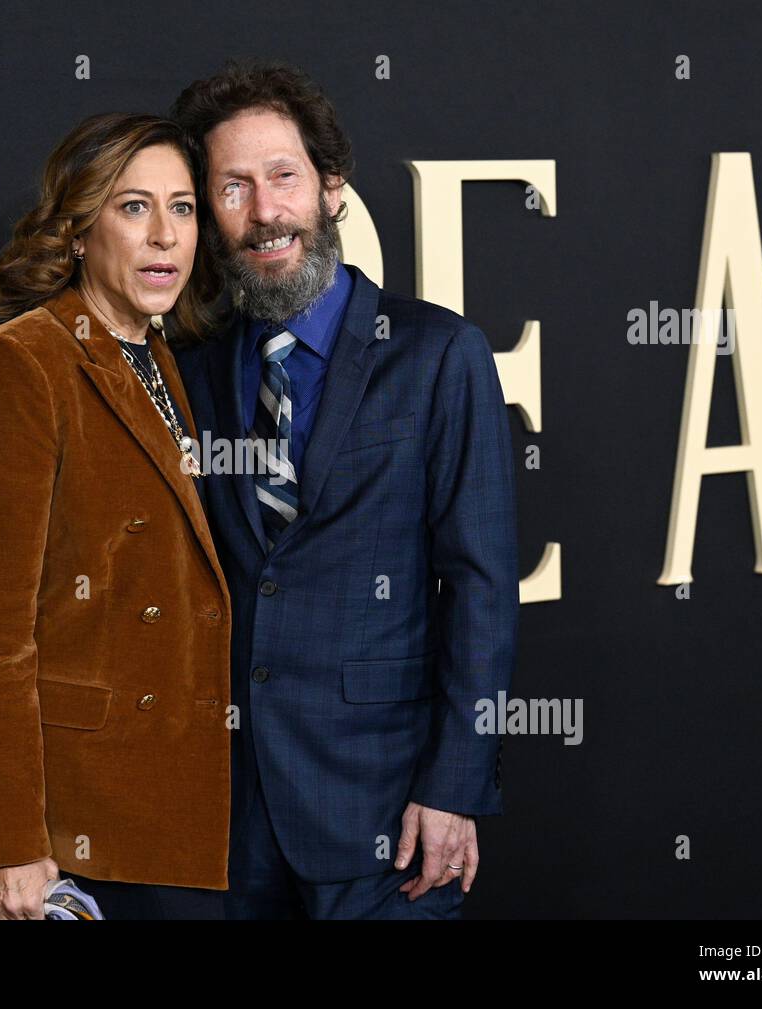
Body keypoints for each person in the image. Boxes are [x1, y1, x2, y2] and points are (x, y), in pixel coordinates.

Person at [170, 59, 520, 919]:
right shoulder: (193, 373)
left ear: (332, 188)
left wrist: (456, 786)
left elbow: (480, 587)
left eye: (284, 177)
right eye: (232, 188)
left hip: (390, 817)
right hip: (226, 823)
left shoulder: (440, 355)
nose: (265, 212)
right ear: (209, 217)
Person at [0, 112, 232, 919]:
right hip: (77, 817)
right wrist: (7, 841)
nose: (165, 236)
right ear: (77, 229)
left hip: (178, 796)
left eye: (183, 208)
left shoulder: (164, 356)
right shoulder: (19, 362)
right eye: (134, 207)